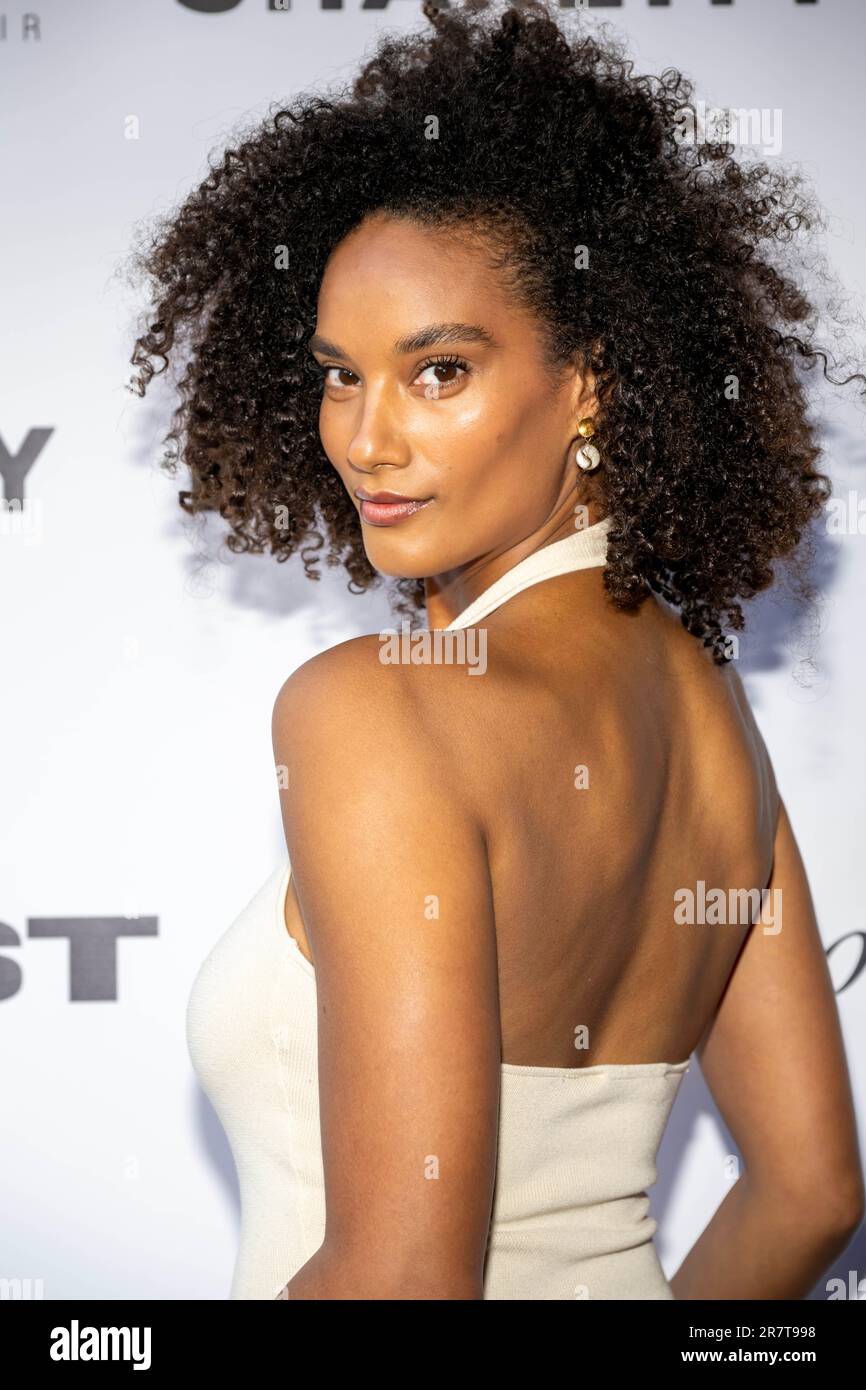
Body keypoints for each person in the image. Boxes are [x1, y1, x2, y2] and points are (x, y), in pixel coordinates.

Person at [128, 0, 864, 1299]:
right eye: (338, 373)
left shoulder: (378, 708)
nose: (364, 438)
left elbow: (405, 1275)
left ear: (587, 386)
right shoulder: (707, 718)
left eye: (439, 372)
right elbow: (811, 1190)